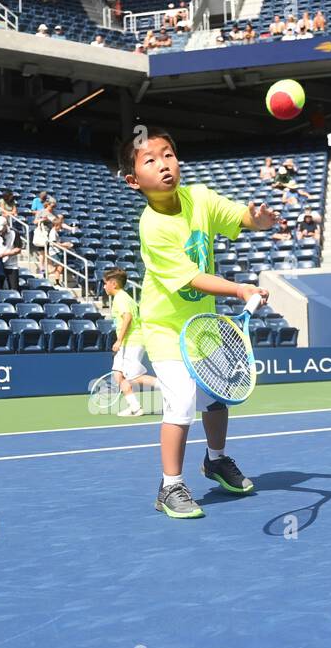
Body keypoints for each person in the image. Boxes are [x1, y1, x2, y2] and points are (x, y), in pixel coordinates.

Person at [117, 126, 276, 519]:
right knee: (182, 400)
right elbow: (191, 277)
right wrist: (239, 290)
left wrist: (257, 221)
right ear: (133, 180)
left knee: (216, 395)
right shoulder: (151, 227)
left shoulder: (199, 198)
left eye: (168, 154)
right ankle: (169, 485)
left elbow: (239, 216)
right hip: (166, 327)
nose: (164, 164)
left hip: (203, 324)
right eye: (150, 160)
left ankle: (216, 460)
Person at [102, 268, 158, 417]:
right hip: (128, 342)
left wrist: (119, 340)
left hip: (132, 342)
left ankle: (168, 386)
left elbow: (127, 317)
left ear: (113, 284)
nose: (104, 286)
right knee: (118, 374)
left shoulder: (121, 298)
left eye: (105, 283)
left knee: (133, 377)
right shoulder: (121, 298)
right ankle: (135, 407)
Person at [0, 215, 22, 292]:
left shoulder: (14, 233)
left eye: (1, 230)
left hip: (11, 265)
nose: (0, 232)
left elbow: (18, 249)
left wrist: (5, 254)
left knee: (14, 288)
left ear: (6, 226)